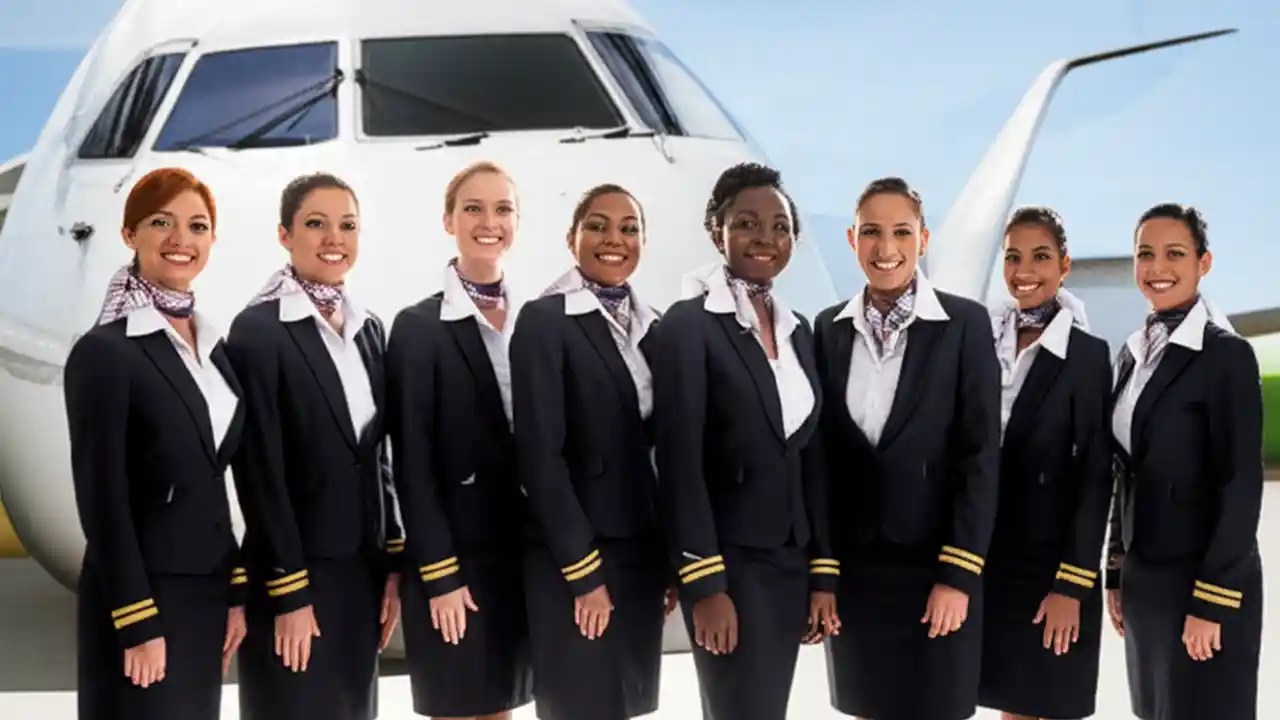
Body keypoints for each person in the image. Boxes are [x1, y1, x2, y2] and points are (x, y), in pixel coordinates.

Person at [651, 162, 837, 720]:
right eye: (748, 222)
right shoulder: (688, 326)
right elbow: (679, 462)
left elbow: (810, 458)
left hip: (788, 560)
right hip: (728, 564)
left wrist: (822, 571)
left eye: (780, 226)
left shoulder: (798, 330)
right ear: (718, 231)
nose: (766, 237)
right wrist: (704, 584)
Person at [813, 176, 1001, 720]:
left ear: (924, 238)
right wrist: (824, 573)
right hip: (857, 578)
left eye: (901, 231)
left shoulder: (964, 324)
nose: (886, 247)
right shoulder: (828, 330)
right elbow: (821, 462)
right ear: (852, 240)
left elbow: (980, 456)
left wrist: (958, 575)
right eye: (871, 232)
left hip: (934, 571)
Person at [65, 167, 247, 720]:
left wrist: (234, 588)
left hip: (205, 594)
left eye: (197, 226)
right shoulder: (105, 352)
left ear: (212, 240)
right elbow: (103, 501)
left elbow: (210, 479)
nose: (181, 240)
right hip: (144, 598)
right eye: (161, 222)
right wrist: (136, 619)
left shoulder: (212, 348)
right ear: (129, 235)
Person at [226, 172, 404, 720]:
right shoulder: (257, 331)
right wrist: (290, 593)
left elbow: (378, 458)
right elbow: (259, 474)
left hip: (361, 573)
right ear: (285, 235)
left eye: (347, 225)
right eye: (316, 223)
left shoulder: (367, 327)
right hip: (295, 573)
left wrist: (393, 560)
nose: (335, 237)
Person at [509, 183, 671, 720]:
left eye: (629, 229)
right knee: (579, 705)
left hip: (639, 554)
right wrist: (584, 573)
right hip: (576, 558)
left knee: (627, 704)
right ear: (571, 237)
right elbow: (540, 458)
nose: (614, 239)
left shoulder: (654, 326)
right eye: (598, 226)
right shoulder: (544, 319)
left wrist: (669, 559)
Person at [387, 160, 534, 720]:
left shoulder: (537, 317)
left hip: (519, 557)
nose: (488, 221)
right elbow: (413, 465)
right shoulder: (418, 327)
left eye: (502, 209)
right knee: (459, 703)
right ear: (449, 220)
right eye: (472, 208)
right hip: (455, 562)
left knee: (501, 706)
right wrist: (440, 575)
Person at [1106, 203, 1264, 720]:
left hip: (1203, 582)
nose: (1158, 267)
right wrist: (1115, 569)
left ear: (1204, 262)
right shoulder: (1131, 356)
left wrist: (1212, 600)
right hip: (1147, 583)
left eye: (1175, 253)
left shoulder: (1227, 356)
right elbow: (1123, 471)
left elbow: (1241, 486)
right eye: (1145, 254)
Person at [976, 207, 1112, 720]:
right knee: (1003, 703)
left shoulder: (1088, 356)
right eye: (1013, 257)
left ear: (1064, 265)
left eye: (1040, 256)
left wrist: (1072, 584)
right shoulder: (980, 342)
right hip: (988, 560)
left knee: (1042, 705)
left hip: (1050, 566)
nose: (1024, 270)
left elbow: (1095, 477)